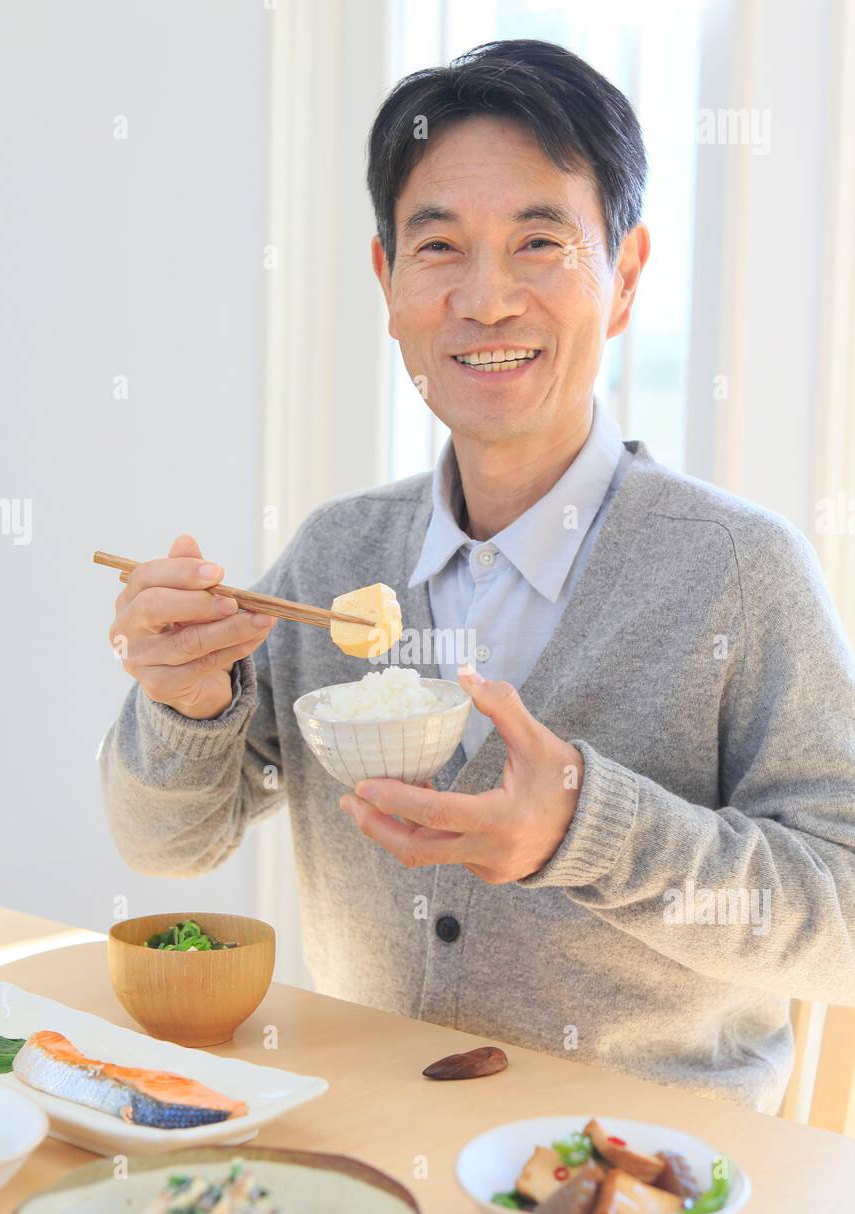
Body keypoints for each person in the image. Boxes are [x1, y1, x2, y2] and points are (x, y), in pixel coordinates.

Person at [100, 39, 855, 1113]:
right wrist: (180, 700)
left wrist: (583, 828)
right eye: (439, 245)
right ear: (387, 281)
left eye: (540, 240)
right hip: (367, 1145)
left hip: (648, 1185)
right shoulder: (334, 557)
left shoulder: (740, 571)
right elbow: (169, 846)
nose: (487, 299)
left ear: (625, 274)